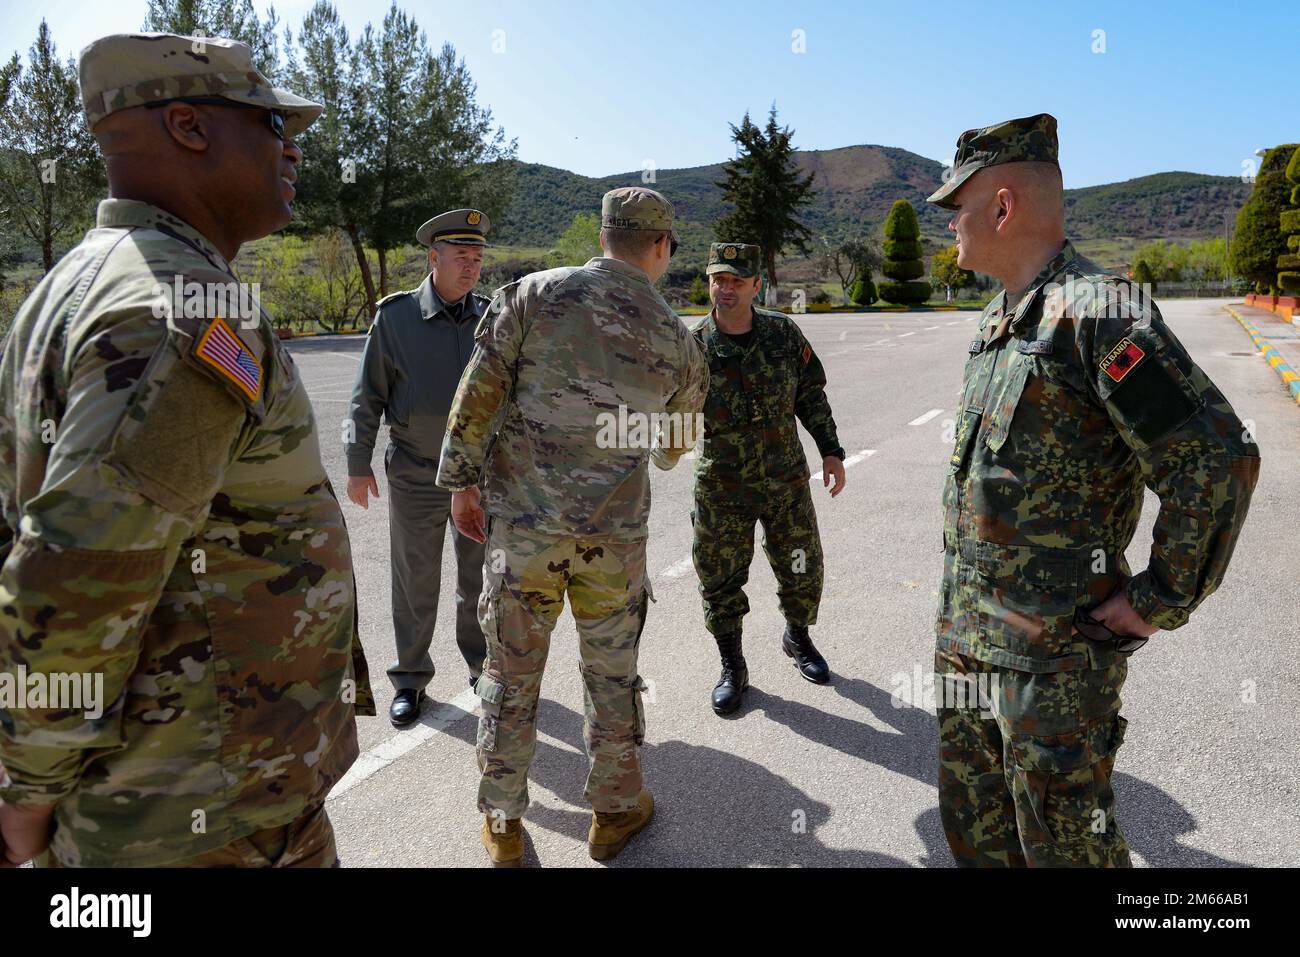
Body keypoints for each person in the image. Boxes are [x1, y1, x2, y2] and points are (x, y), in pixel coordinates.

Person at [0, 32, 373, 869]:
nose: (294, 145)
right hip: (195, 815)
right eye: (274, 122)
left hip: (167, 800)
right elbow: (79, 571)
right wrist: (25, 790)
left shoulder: (73, 283)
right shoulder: (180, 308)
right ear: (189, 127)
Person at [927, 112, 1260, 867]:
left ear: (1004, 207)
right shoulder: (999, 319)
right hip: (968, 655)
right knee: (977, 836)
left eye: (958, 205)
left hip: (1053, 674)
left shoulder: (1101, 313)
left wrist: (1158, 598)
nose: (948, 223)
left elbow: (1218, 458)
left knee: (1068, 851)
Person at [437, 187, 707, 866]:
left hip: (525, 536)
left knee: (510, 673)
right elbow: (673, 451)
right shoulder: (679, 338)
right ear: (661, 247)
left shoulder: (531, 294)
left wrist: (462, 484)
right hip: (612, 547)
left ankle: (502, 823)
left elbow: (479, 393)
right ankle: (614, 812)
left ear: (603, 234)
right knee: (612, 676)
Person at [345, 209, 493, 727]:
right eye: (461, 257)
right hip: (415, 472)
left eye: (477, 258)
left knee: (479, 576)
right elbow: (367, 396)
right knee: (415, 578)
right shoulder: (396, 317)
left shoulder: (492, 317)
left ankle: (483, 667)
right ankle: (409, 678)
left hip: (479, 476)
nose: (471, 267)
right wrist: (357, 461)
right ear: (434, 259)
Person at [690, 242, 846, 716]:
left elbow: (811, 396)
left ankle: (797, 637)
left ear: (757, 285)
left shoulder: (783, 335)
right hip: (722, 487)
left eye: (737, 280)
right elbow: (672, 413)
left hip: (785, 483)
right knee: (720, 578)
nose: (726, 288)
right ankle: (732, 664)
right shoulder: (693, 346)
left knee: (801, 565)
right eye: (719, 279)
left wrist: (831, 451)